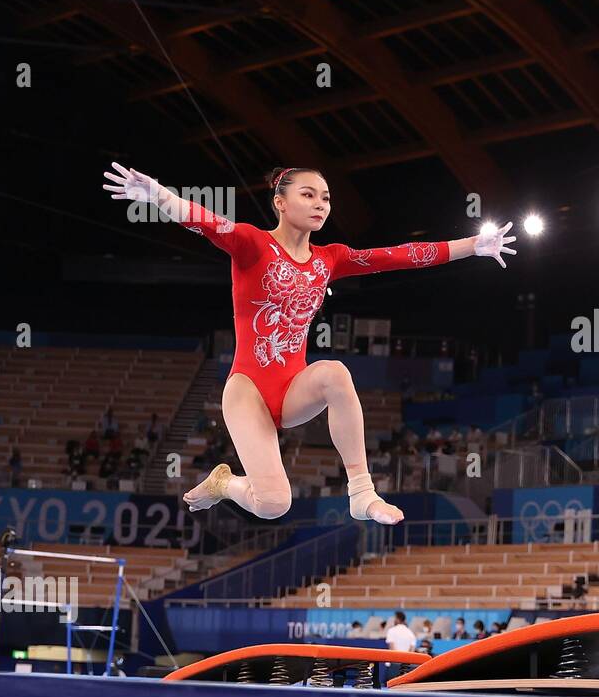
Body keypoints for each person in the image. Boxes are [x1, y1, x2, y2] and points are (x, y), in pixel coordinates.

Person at [104, 163, 516, 524]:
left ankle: (361, 492)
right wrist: (155, 194)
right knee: (273, 505)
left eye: (326, 197)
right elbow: (205, 221)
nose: (321, 203)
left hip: (292, 388)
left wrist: (473, 246)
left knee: (335, 372)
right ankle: (225, 484)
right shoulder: (252, 243)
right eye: (308, 194)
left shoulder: (330, 258)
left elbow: (397, 255)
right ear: (280, 202)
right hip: (247, 387)